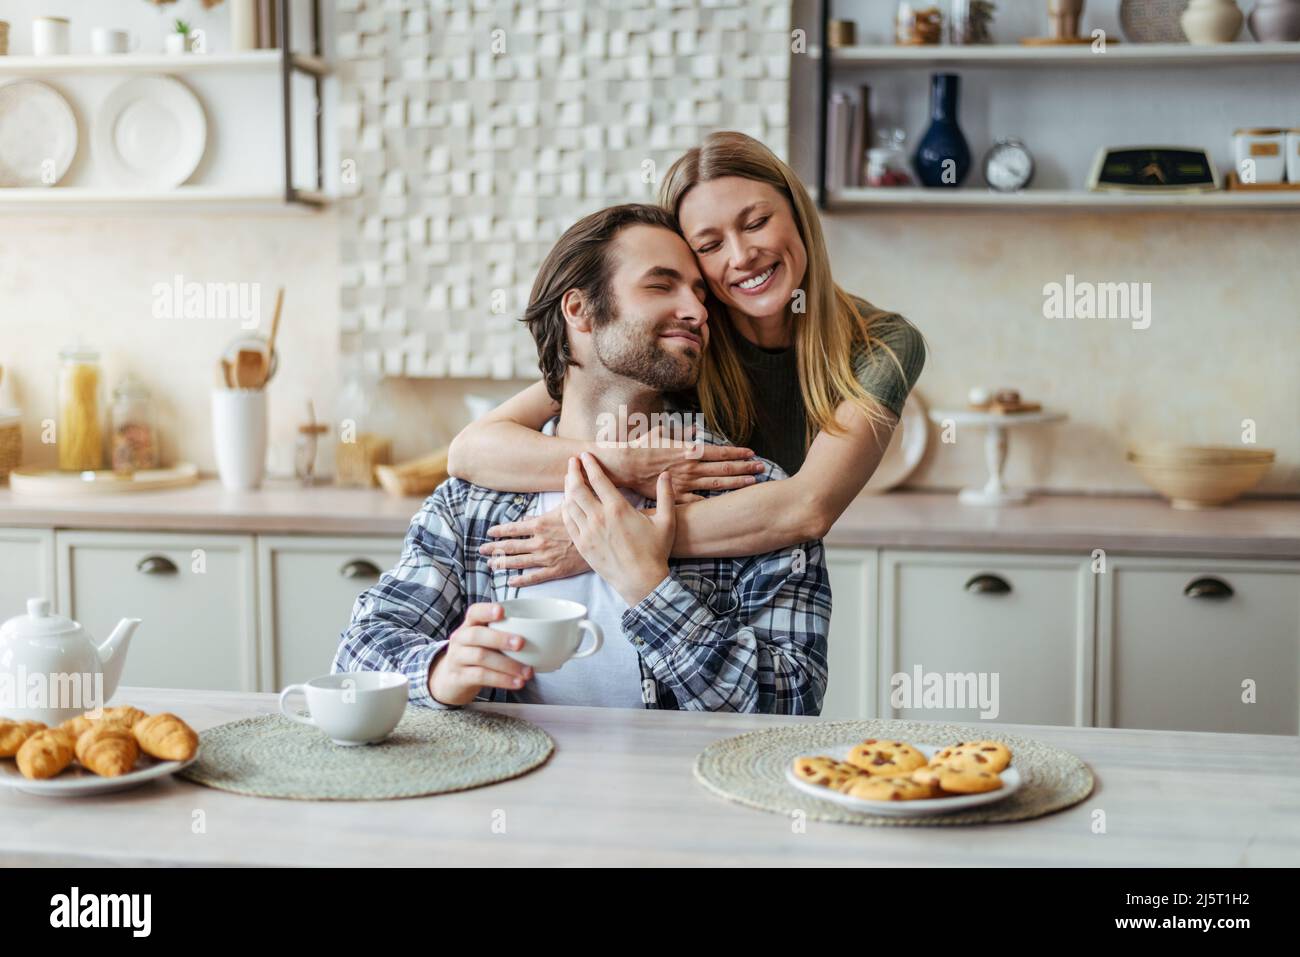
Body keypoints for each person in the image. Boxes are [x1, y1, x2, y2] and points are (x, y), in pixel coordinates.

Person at [335, 204, 830, 714]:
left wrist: (649, 588)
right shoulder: (472, 504)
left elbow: (792, 703)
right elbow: (356, 659)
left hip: (683, 792)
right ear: (580, 311)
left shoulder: (751, 489)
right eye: (661, 286)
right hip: (508, 789)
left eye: (700, 293)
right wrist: (441, 670)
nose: (698, 312)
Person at [446, 131, 926, 588]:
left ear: (798, 215)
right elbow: (470, 450)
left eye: (757, 222)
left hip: (770, 567)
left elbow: (808, 507)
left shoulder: (881, 343)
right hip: (696, 574)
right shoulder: (685, 338)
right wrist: (620, 465)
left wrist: (607, 539)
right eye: (710, 245)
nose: (742, 256)